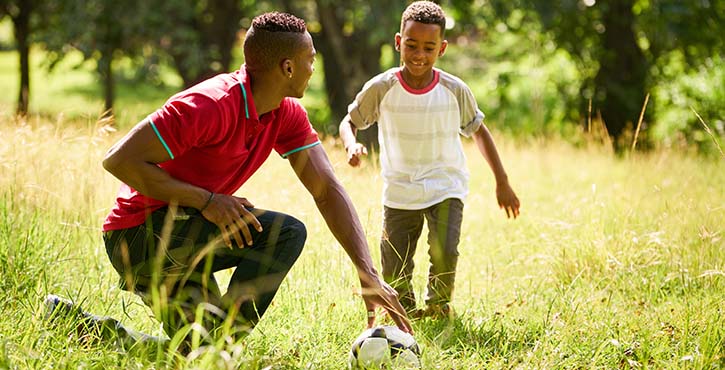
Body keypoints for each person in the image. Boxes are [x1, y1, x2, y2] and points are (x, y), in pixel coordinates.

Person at [47, 12, 411, 351]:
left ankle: (79, 324)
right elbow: (119, 160)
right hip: (140, 236)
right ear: (287, 67)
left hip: (187, 235)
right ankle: (221, 351)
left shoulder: (285, 114)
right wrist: (206, 200)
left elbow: (326, 189)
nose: (313, 68)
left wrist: (368, 272)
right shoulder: (210, 105)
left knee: (201, 353)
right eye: (310, 59)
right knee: (284, 233)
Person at [339, 1, 520, 319]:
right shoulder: (382, 87)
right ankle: (404, 310)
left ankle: (438, 307)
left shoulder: (454, 90)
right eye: (411, 45)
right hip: (399, 190)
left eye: (429, 47)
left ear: (442, 48)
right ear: (398, 41)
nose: (419, 55)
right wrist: (351, 144)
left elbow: (479, 131)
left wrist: (502, 181)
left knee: (445, 251)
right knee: (394, 261)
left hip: (445, 185)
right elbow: (349, 121)